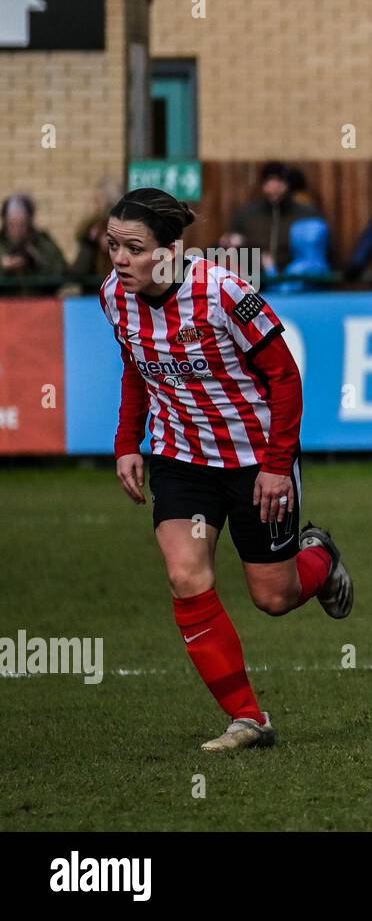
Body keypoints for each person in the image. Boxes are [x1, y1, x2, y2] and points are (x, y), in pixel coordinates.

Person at [102, 187, 354, 751]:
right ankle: (248, 718)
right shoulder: (114, 297)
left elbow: (285, 377)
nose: (120, 259)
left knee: (275, 597)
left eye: (134, 248)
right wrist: (127, 442)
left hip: (252, 460)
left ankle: (322, 555)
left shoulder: (224, 292)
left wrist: (276, 465)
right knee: (186, 576)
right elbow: (134, 368)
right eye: (113, 244)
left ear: (170, 249)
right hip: (179, 458)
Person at [222, 161, 322, 274]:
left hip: (295, 280)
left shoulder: (306, 214)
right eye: (269, 181)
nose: (274, 187)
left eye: (279, 181)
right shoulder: (246, 214)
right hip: (255, 278)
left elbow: (317, 255)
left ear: (288, 184)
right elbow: (230, 244)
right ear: (263, 184)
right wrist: (260, 256)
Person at [0, 194, 68, 295]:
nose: (17, 230)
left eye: (22, 224)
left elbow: (62, 274)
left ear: (29, 222)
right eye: (12, 224)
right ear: (6, 222)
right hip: (6, 307)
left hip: (40, 304)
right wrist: (3, 267)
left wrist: (37, 263)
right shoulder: (2, 244)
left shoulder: (43, 243)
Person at [69, 177, 124, 290]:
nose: (94, 206)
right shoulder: (92, 230)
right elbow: (78, 270)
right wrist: (90, 240)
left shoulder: (123, 227)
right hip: (94, 291)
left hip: (115, 289)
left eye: (98, 201)